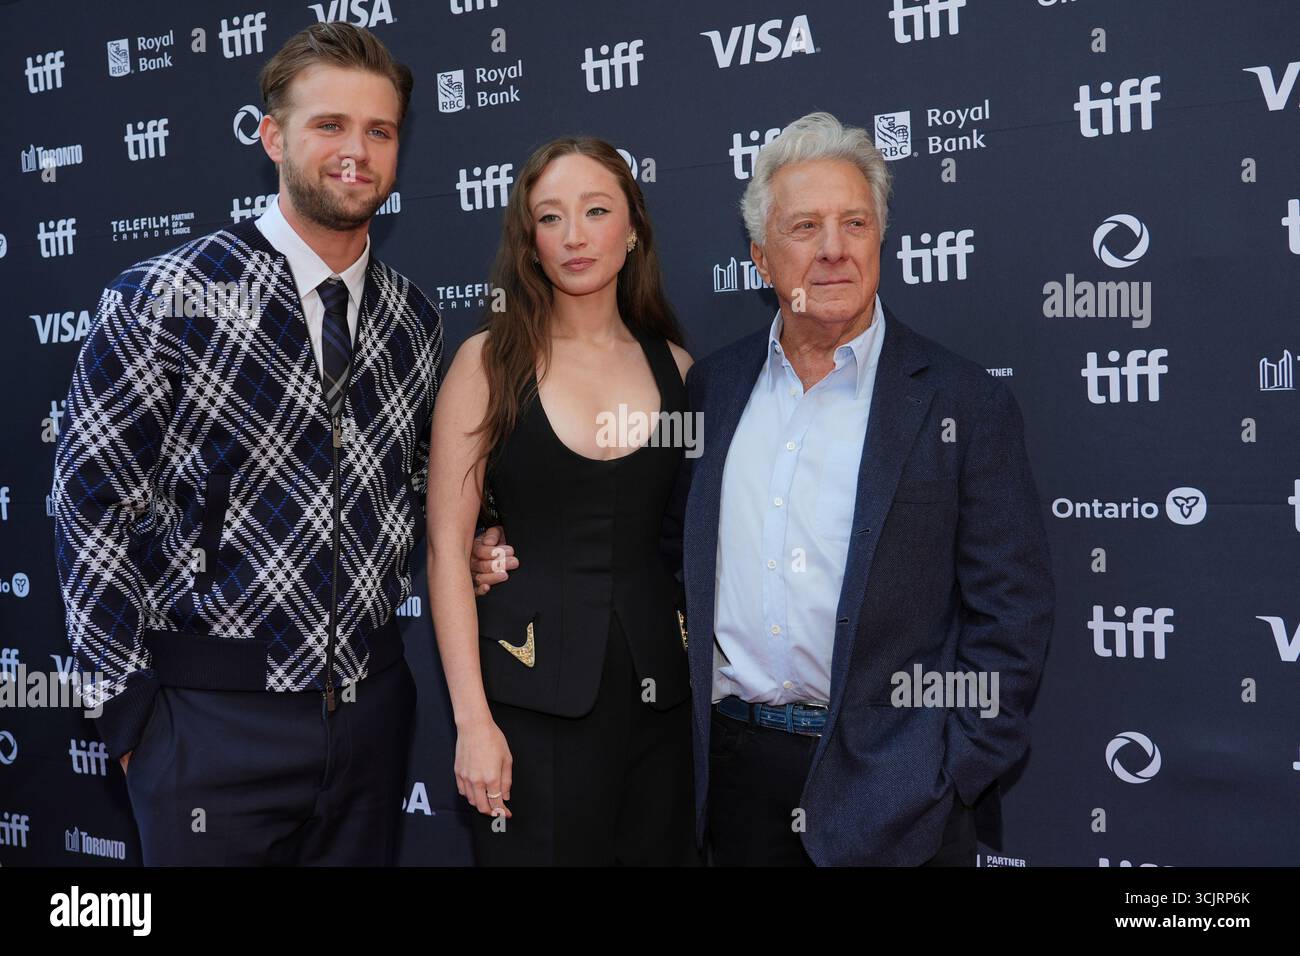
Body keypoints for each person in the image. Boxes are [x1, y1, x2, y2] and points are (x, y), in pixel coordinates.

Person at [477, 112, 1054, 866]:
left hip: (897, 790)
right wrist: (505, 548)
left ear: (881, 238)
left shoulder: (962, 403)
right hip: (732, 781)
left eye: (855, 223)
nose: (834, 248)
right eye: (804, 227)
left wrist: (954, 771)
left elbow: (1012, 613)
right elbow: (656, 547)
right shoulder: (712, 388)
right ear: (760, 257)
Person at [51, 22, 441, 865]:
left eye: (379, 130)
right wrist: (130, 718)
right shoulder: (165, 296)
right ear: (272, 137)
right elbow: (89, 508)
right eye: (329, 125)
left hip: (371, 723)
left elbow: (416, 488)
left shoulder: (413, 318)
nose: (357, 151)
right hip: (208, 729)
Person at [429, 136, 699, 865]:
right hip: (525, 706)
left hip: (660, 706)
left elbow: (692, 537)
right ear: (530, 241)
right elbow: (449, 550)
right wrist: (473, 723)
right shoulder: (487, 364)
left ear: (633, 228)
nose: (574, 235)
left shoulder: (677, 370)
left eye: (596, 210)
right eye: (550, 217)